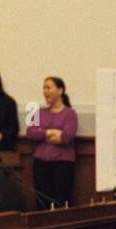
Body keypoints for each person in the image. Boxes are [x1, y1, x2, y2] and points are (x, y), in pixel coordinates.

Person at [24, 76, 77, 209]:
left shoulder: (70, 114)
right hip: (41, 163)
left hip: (62, 164)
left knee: (60, 201)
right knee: (42, 201)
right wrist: (48, 132)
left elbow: (66, 137)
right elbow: (30, 132)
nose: (45, 91)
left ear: (60, 90)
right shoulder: (39, 112)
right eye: (44, 88)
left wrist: (41, 133)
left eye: (48, 87)